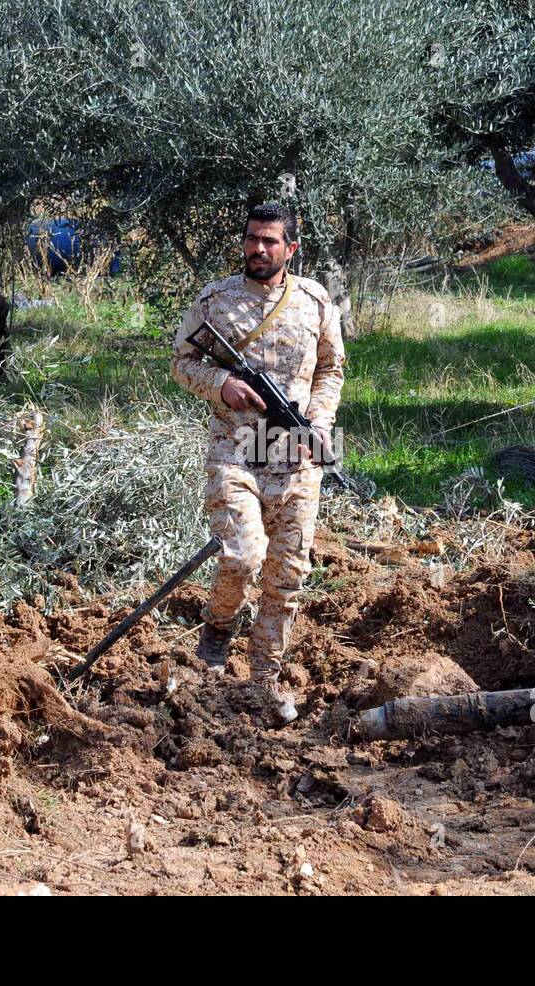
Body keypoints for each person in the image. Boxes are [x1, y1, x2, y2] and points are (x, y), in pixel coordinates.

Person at [170, 202, 345, 724]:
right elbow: (181, 361)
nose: (259, 249)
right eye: (252, 239)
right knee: (242, 554)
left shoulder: (314, 301)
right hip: (235, 450)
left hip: (294, 455)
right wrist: (221, 384)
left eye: (271, 241)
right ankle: (217, 634)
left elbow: (331, 369)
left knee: (287, 574)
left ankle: (264, 680)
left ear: (292, 248)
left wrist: (317, 425)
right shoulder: (217, 299)